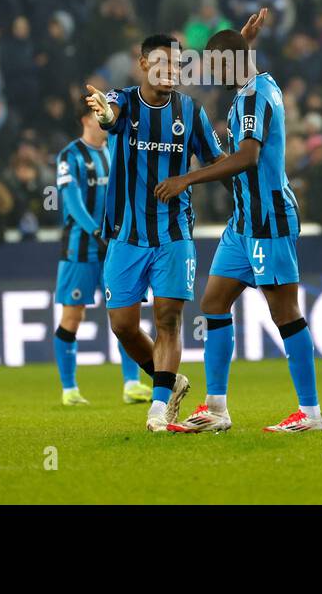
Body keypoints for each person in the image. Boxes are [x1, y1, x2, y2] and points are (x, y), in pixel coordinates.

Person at [153, 9, 322, 434]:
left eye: (216, 67)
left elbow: (247, 157)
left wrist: (187, 178)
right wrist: (241, 41)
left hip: (268, 220)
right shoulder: (254, 86)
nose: (213, 75)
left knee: (284, 311)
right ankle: (216, 409)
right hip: (242, 222)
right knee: (213, 303)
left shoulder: (253, 97)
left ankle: (311, 413)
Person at [84, 33, 225, 433]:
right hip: (126, 235)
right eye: (162, 65)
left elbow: (218, 163)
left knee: (168, 318)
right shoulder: (125, 102)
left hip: (174, 234)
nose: (171, 73)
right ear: (144, 65)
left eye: (177, 66)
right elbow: (108, 116)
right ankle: (171, 381)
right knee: (123, 325)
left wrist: (189, 179)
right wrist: (103, 114)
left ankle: (158, 407)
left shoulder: (191, 112)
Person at [53, 107, 153, 406]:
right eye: (98, 114)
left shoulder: (113, 151)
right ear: (85, 119)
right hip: (80, 249)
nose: (106, 119)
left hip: (115, 247)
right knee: (73, 316)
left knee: (125, 313)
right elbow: (72, 202)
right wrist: (97, 232)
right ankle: (69, 389)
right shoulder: (69, 156)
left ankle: (131, 384)